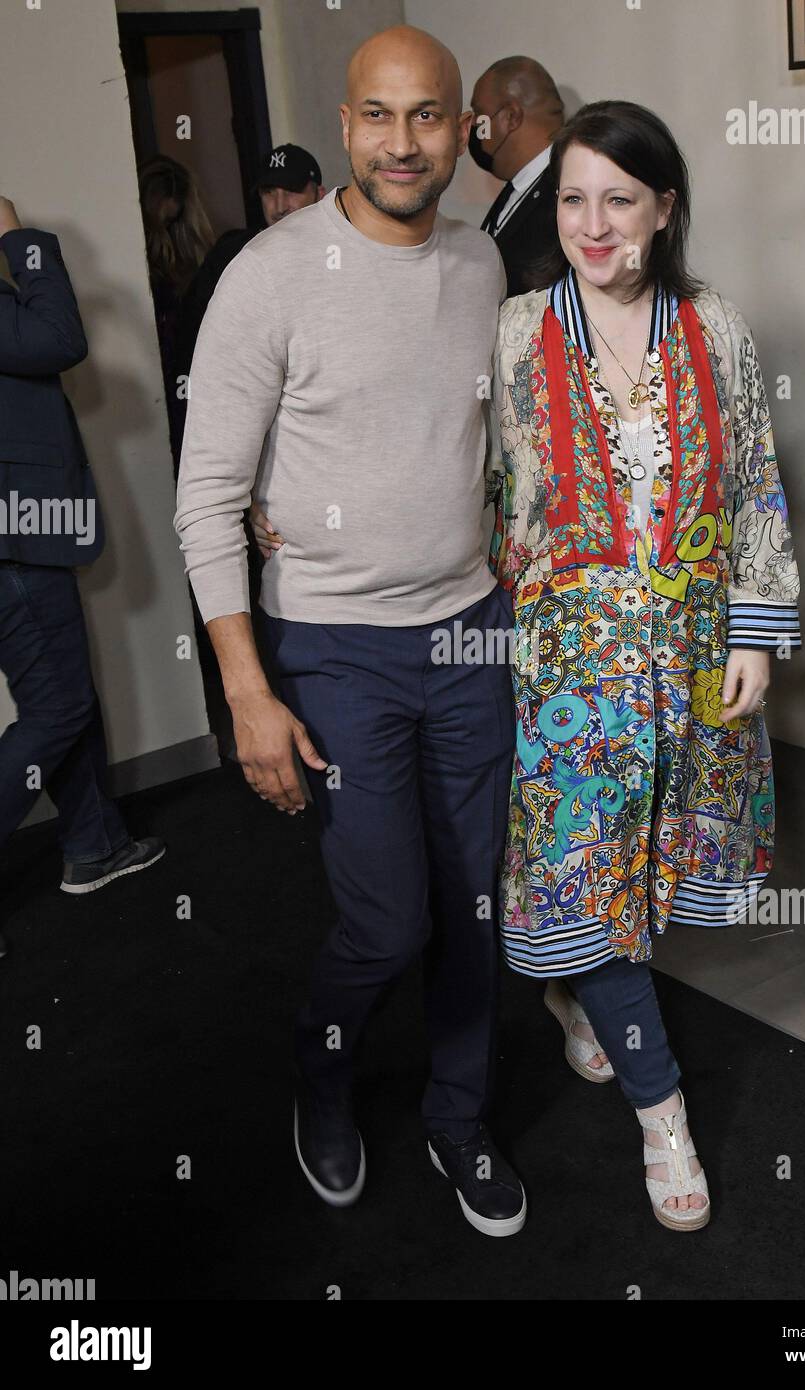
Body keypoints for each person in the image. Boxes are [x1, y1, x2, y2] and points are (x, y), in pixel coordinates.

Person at [173, 26, 526, 1237]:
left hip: (474, 631)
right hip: (334, 648)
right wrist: (246, 689)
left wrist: (505, 536)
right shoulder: (270, 273)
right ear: (344, 122)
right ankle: (322, 1075)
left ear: (460, 126)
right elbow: (207, 496)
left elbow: (482, 442)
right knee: (387, 917)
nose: (402, 141)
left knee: (473, 903)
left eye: (427, 116)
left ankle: (458, 1118)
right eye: (379, 116)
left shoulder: (483, 267)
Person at [485, 101, 802, 1229]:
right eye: (573, 199)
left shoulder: (715, 324)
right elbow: (483, 477)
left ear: (663, 209)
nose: (594, 223)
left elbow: (756, 474)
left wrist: (756, 631)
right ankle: (660, 1110)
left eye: (620, 198)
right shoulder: (519, 327)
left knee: (651, 880)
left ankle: (578, 998)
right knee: (577, 879)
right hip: (570, 670)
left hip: (691, 652)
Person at [0, 195, 166, 958]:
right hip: (15, 540)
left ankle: (95, 845)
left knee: (61, 693)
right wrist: (19, 237)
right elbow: (59, 337)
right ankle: (94, 843)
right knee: (58, 706)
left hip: (22, 535)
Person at [172, 144, 327, 466]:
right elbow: (192, 343)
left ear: (320, 194)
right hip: (250, 427)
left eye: (293, 191)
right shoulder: (234, 254)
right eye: (270, 192)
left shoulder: (339, 257)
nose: (280, 205)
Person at [137, 155, 215, 461]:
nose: (164, 233)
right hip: (158, 385)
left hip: (186, 384)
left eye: (171, 222)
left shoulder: (189, 265)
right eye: (161, 222)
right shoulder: (142, 268)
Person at [470, 56, 563, 296]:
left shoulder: (568, 192)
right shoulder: (519, 185)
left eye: (480, 116)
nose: (475, 128)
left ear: (511, 117)